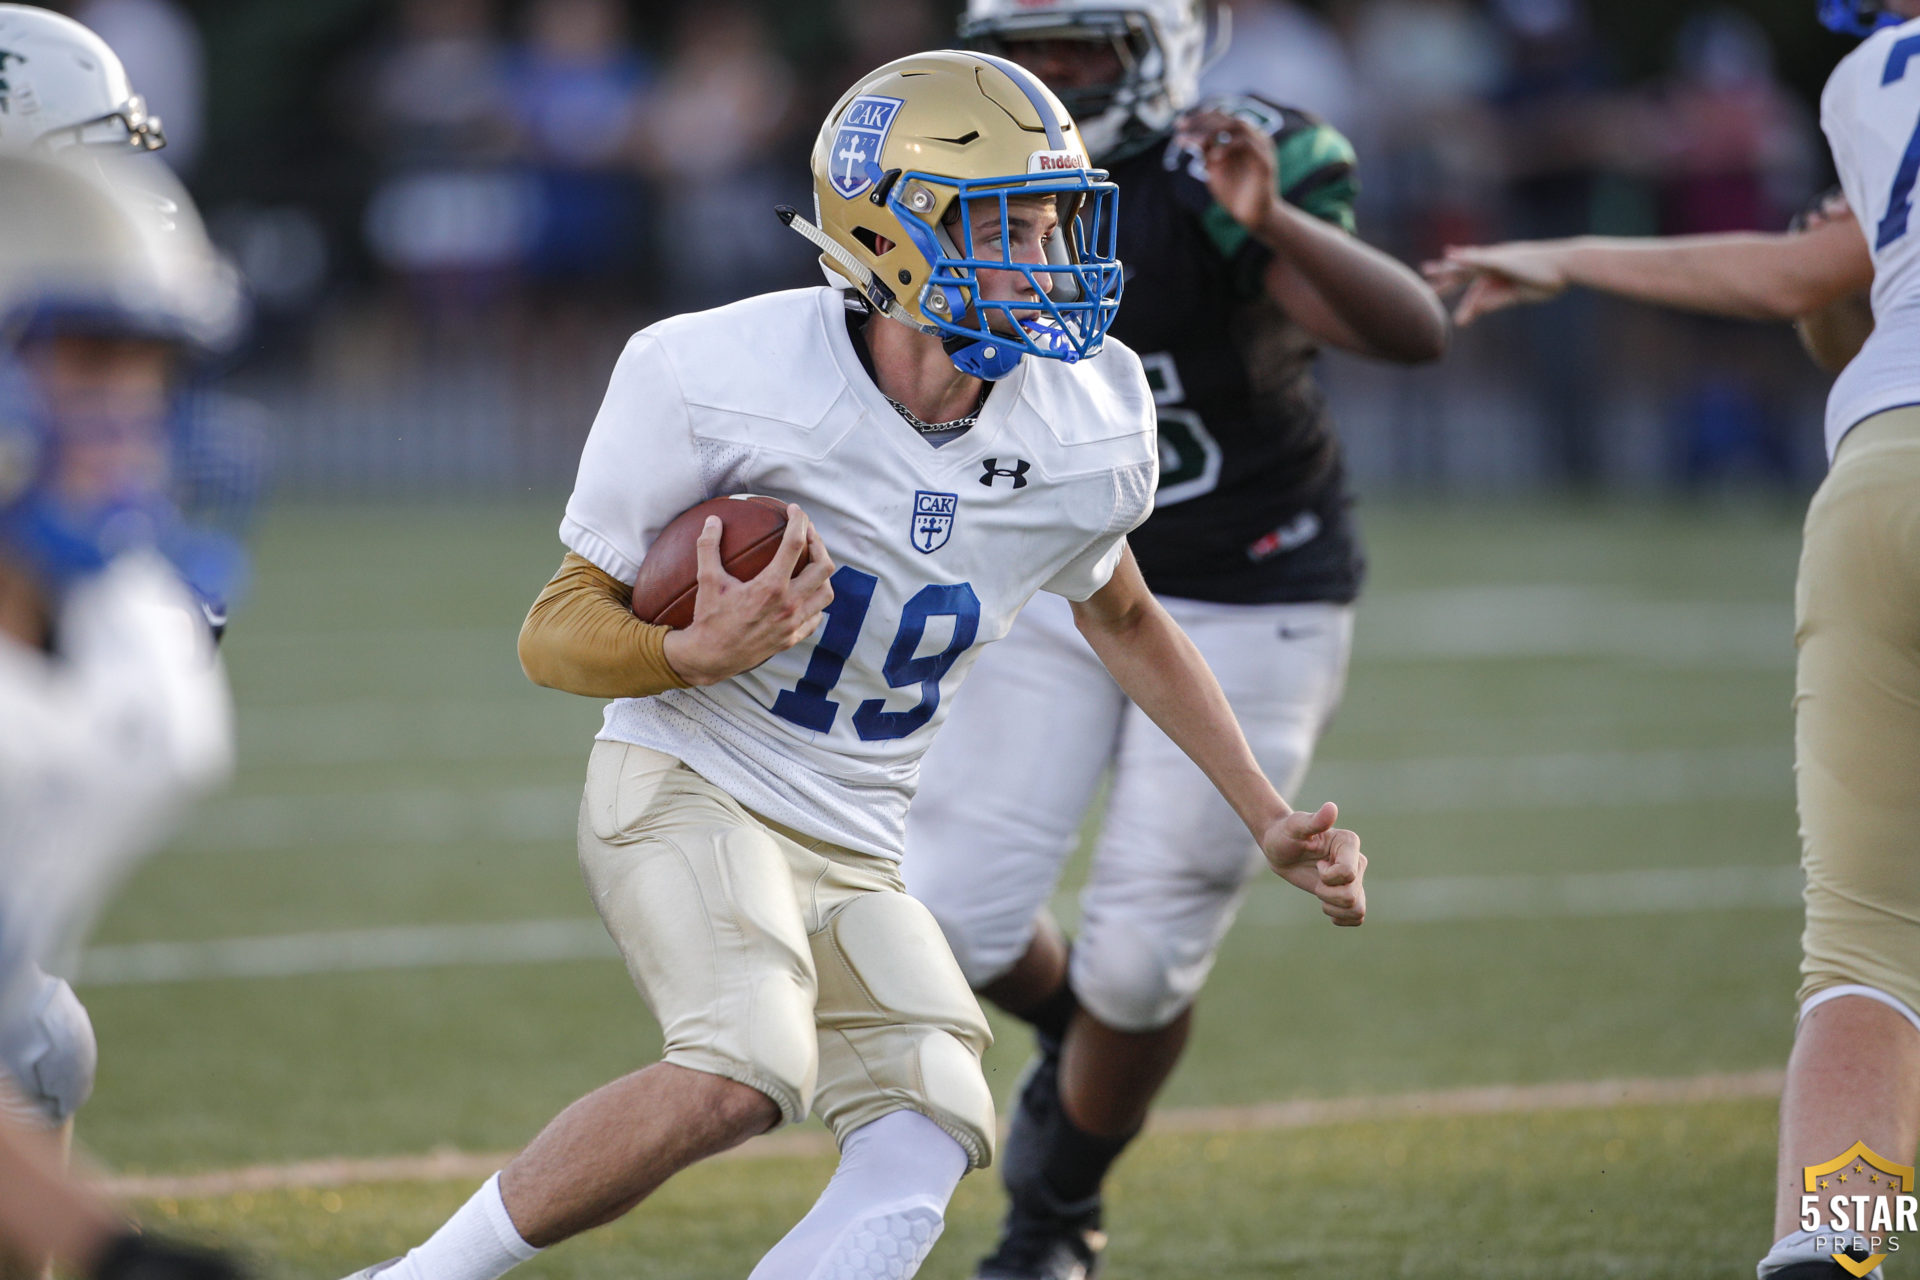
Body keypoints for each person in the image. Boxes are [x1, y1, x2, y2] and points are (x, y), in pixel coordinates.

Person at [338, 50, 1368, 1280]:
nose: (1050, 265)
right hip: (692, 779)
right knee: (741, 1068)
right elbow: (551, 630)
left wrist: (1264, 814)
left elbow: (1129, 618)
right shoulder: (716, 376)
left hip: (860, 832)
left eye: (1057, 226)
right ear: (892, 237)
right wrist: (684, 647)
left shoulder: (1086, 412)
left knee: (934, 1122)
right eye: (1010, 231)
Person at [901, 4, 1445, 1277]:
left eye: (1083, 50)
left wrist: (1270, 222)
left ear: (1169, 43)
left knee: (1142, 965)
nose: (1052, 77)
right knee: (956, 915)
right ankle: (1083, 1054)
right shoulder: (964, 161)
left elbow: (1412, 330)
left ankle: (1053, 1212)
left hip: (1252, 582)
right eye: (1028, 51)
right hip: (1057, 572)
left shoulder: (1229, 159)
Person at [1424, 4, 1920, 1274]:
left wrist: (1568, 253)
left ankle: (1836, 1242)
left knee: (1869, 948)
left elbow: (1811, 283)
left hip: (1880, 473)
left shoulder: (1872, 71)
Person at [0, 152, 246, 1280]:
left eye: (145, 370)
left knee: (35, 1039)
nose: (127, 416)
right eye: (88, 362)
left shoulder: (137, 642)